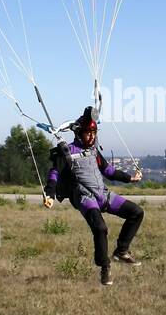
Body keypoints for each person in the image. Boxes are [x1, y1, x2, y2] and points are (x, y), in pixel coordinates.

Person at [44, 107, 143, 286]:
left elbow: (108, 171)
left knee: (136, 212)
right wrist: (49, 194)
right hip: (85, 197)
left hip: (103, 194)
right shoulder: (67, 151)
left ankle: (122, 251)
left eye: (93, 133)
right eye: (87, 133)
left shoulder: (94, 151)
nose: (91, 137)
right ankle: (105, 267)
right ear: (79, 133)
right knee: (100, 228)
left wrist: (130, 178)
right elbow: (54, 173)